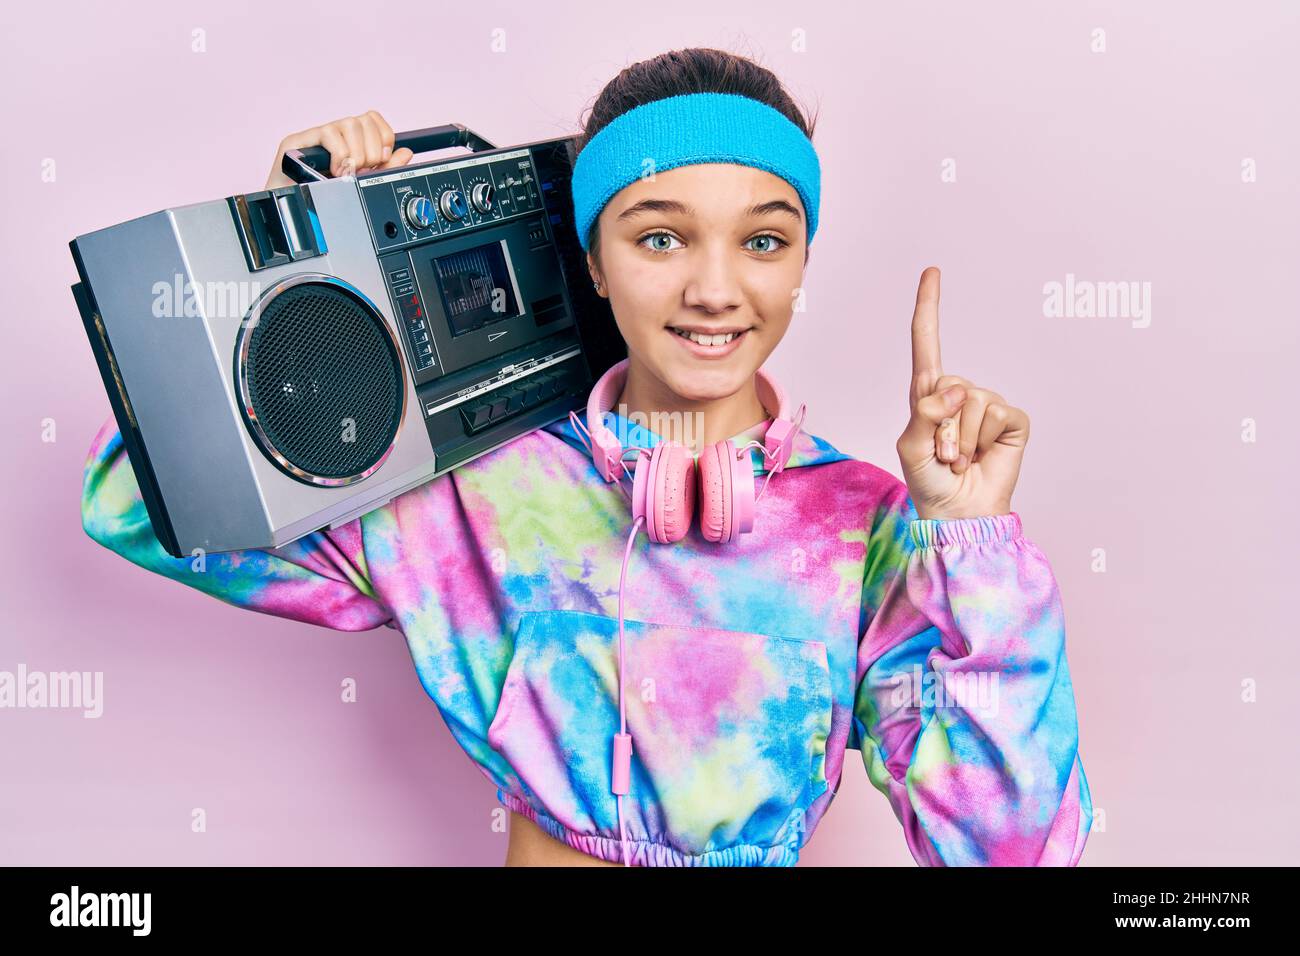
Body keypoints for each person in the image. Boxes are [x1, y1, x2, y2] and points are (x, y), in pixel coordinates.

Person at [80, 47, 1093, 867]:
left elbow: (1010, 851)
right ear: (594, 259)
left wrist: (969, 545)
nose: (713, 288)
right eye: (660, 238)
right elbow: (138, 503)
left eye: (762, 241)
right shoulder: (475, 488)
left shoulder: (867, 529)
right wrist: (279, 271)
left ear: (800, 265)